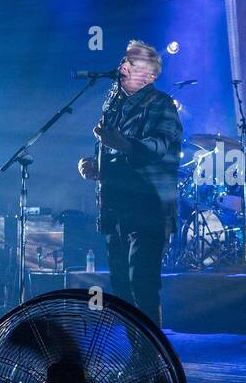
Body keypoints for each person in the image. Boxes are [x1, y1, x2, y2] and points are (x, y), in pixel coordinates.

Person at [77, 41, 182, 325]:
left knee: (143, 286)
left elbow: (156, 147)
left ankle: (154, 361)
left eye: (134, 63)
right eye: (125, 60)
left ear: (150, 74)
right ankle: (136, 358)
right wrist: (93, 166)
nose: (124, 67)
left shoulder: (161, 104)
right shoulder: (113, 103)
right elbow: (109, 149)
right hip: (115, 207)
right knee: (122, 290)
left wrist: (121, 143)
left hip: (148, 208)